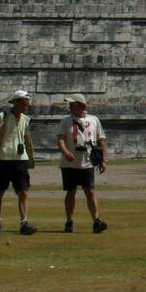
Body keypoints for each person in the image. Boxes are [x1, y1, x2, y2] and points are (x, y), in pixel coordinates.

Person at [0, 90, 37, 235]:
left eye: (27, 104)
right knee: (0, 191)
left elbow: (26, 139)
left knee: (23, 191)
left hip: (21, 160)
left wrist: (30, 157)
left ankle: (24, 222)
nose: (26, 107)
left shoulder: (26, 119)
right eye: (24, 104)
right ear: (17, 102)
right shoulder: (2, 117)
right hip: (3, 159)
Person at [55, 94, 107, 234]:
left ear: (82, 106)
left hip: (87, 162)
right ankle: (69, 221)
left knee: (89, 191)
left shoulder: (93, 120)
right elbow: (60, 139)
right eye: (70, 105)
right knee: (71, 192)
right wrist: (66, 152)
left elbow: (101, 141)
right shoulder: (65, 121)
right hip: (69, 163)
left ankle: (96, 220)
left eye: (74, 104)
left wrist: (103, 160)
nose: (71, 107)